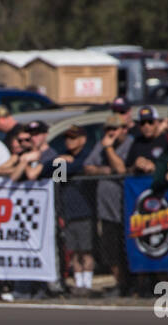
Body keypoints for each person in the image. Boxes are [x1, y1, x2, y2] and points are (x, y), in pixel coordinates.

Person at [83, 113, 133, 297]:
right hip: (106, 209)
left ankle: (133, 285)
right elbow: (88, 167)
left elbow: (120, 169)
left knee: (127, 249)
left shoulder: (128, 144)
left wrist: (109, 150)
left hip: (127, 208)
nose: (110, 133)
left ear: (124, 129)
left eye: (115, 129)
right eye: (108, 129)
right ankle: (120, 284)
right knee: (111, 250)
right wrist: (102, 169)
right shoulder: (101, 145)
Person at [55, 126, 96, 294]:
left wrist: (66, 162)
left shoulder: (86, 156)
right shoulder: (64, 156)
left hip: (84, 212)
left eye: (73, 138)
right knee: (73, 252)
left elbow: (81, 167)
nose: (69, 142)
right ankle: (79, 283)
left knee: (85, 250)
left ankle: (87, 283)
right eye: (67, 138)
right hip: (68, 212)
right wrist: (62, 162)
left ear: (82, 140)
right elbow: (58, 176)